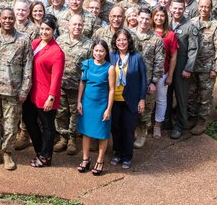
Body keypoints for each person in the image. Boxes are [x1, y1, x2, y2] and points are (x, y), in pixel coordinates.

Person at [0, 8, 33, 171]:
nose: (7, 21)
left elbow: (28, 67)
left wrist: (24, 90)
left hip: (13, 91)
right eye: (4, 18)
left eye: (10, 18)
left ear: (15, 19)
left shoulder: (23, 40)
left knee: (10, 125)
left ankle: (7, 153)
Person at [23, 15, 64, 168]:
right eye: (42, 29)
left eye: (48, 29)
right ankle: (40, 150)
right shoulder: (34, 43)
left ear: (53, 31)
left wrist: (51, 97)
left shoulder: (57, 52)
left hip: (46, 94)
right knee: (29, 120)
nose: (44, 32)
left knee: (47, 125)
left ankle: (46, 157)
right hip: (31, 92)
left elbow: (56, 78)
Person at [54, 14, 93, 156]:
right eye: (74, 24)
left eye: (79, 25)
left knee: (75, 113)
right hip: (61, 84)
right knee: (60, 112)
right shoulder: (60, 40)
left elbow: (89, 67)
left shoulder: (89, 44)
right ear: (69, 26)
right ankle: (62, 138)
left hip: (78, 87)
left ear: (83, 26)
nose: (77, 27)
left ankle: (72, 139)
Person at [109, 29, 147, 169]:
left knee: (128, 129)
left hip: (130, 100)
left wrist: (142, 99)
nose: (121, 42)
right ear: (115, 42)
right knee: (116, 128)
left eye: (124, 39)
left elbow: (143, 79)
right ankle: (117, 153)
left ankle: (127, 156)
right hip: (114, 100)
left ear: (129, 41)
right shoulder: (112, 56)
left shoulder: (136, 57)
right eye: (118, 40)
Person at [76, 40, 115, 176]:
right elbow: (82, 83)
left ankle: (100, 160)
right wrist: (79, 101)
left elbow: (111, 90)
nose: (98, 53)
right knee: (86, 132)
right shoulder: (87, 64)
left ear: (106, 53)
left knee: (102, 133)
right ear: (93, 51)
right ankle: (85, 159)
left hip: (102, 104)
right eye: (96, 50)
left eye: (101, 51)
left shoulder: (110, 68)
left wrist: (108, 109)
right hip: (87, 103)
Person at [189, 0, 217, 135]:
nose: (203, 9)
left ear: (210, 9)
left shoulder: (216, 25)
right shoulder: (192, 23)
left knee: (205, 95)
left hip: (207, 67)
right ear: (198, 7)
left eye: (206, 7)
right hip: (193, 66)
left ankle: (202, 121)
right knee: (191, 93)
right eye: (201, 6)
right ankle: (192, 117)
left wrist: (216, 68)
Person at [131, 7, 165, 149]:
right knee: (130, 108)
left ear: (150, 20)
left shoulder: (156, 39)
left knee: (145, 109)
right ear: (137, 18)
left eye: (147, 19)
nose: (144, 21)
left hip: (147, 81)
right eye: (142, 18)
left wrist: (154, 82)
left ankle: (143, 133)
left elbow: (159, 62)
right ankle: (132, 131)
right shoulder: (129, 35)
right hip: (130, 80)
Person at [169, 0, 199, 139]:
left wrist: (188, 68)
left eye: (180, 8)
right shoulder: (166, 22)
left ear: (184, 9)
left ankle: (180, 125)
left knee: (181, 96)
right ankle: (166, 121)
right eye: (175, 8)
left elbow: (193, 49)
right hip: (167, 63)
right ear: (170, 8)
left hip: (182, 63)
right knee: (166, 95)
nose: (177, 11)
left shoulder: (190, 26)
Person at [152, 6, 177, 139]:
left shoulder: (170, 34)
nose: (159, 18)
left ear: (166, 18)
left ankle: (157, 124)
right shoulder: (148, 31)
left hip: (163, 72)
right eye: (156, 15)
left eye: (162, 15)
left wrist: (170, 75)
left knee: (161, 99)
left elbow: (173, 56)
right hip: (147, 72)